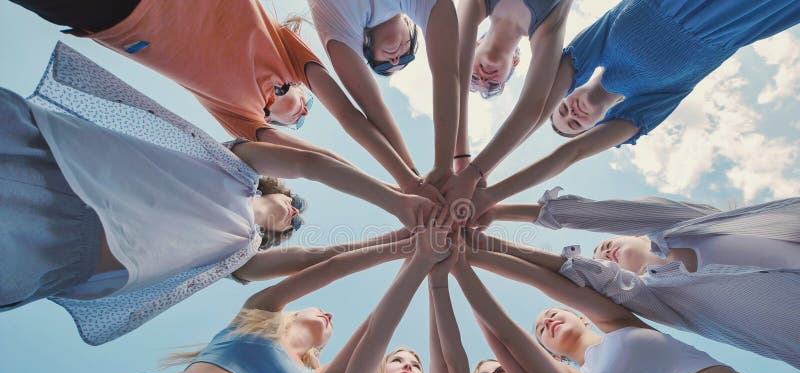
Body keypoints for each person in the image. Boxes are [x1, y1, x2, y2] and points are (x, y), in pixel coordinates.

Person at [0, 43, 433, 345]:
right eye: (294, 206)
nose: (293, 216)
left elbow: (318, 259)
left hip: (55, 257)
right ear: (278, 190)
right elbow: (311, 165)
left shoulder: (242, 252)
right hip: (53, 165)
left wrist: (405, 244)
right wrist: (398, 201)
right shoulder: (237, 167)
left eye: (294, 224)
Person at [0, 228, 421, 373]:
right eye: (317, 309)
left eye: (329, 332)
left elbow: (377, 332)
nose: (327, 315)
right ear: (293, 312)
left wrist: (415, 267)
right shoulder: (256, 317)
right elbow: (330, 266)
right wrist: (396, 246)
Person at [8, 0, 444, 201]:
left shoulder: (238, 118)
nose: (306, 107)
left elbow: (322, 162)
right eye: (308, 105)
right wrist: (408, 179)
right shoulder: (286, 49)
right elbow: (352, 114)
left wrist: (397, 193)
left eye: (300, 120)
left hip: (113, 16)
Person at [441, 0, 800, 221]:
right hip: (740, 17)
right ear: (597, 125)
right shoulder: (647, 106)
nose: (572, 112)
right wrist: (489, 195)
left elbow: (534, 108)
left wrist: (473, 169)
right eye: (575, 123)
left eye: (563, 109)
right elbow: (571, 152)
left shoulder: (588, 49)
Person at [455, 248, 800, 373]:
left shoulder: (621, 324)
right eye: (540, 330)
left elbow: (548, 281)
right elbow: (508, 338)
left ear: (581, 317)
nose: (546, 321)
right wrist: (460, 267)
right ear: (552, 355)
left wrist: (477, 251)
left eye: (551, 313)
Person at [466, 188, 800, 368]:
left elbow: (603, 213)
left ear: (638, 235)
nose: (602, 253)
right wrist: (484, 244)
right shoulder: (662, 300)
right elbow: (591, 276)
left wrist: (494, 212)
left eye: (603, 244)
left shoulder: (691, 223)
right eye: (597, 257)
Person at [304, 207, 457, 373]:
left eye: (417, 365)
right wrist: (420, 259)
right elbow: (377, 334)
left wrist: (436, 276)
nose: (408, 365)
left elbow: (442, 362)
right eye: (396, 360)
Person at [426, 236, 580, 373]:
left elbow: (504, 342)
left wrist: (461, 267)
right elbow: (456, 364)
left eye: (500, 372)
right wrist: (437, 280)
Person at [308, 0, 460, 189]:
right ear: (407, 22)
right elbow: (446, 72)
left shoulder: (340, 25)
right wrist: (443, 166)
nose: (396, 58)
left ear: (364, 48)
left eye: (384, 65)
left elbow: (372, 108)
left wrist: (413, 181)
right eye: (407, 55)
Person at [451, 0, 572, 176]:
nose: (484, 79)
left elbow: (456, 74)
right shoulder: (547, 28)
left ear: (474, 46)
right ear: (515, 62)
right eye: (493, 84)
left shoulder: (477, 4)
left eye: (475, 77)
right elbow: (532, 107)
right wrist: (478, 173)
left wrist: (460, 158)